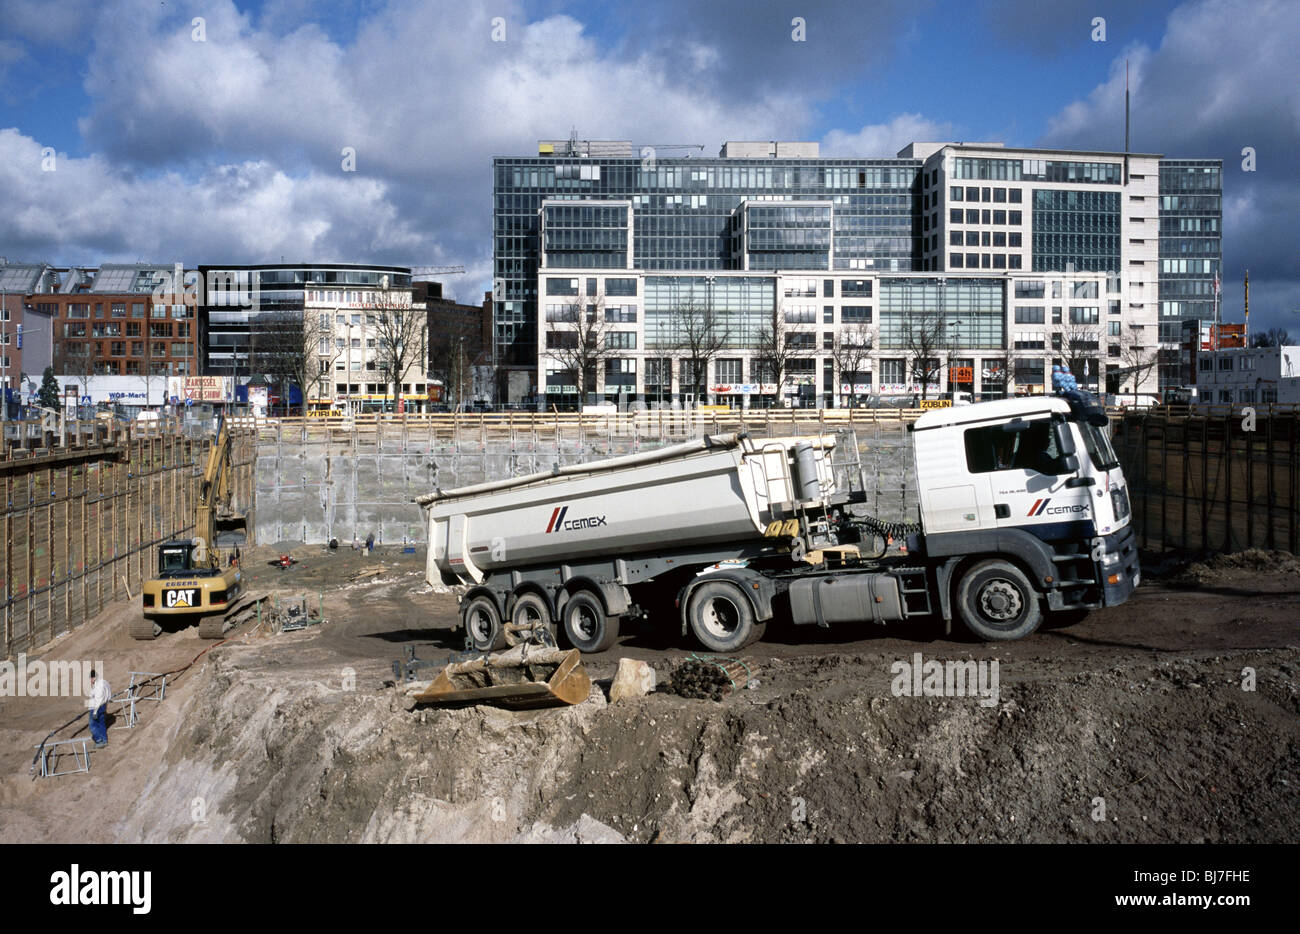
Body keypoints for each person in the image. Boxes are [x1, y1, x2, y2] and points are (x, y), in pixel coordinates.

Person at [87, 670, 110, 748]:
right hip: (103, 705)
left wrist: (95, 712)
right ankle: (104, 740)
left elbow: (98, 699)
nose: (90, 680)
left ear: (94, 677)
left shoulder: (98, 686)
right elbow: (108, 695)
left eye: (90, 678)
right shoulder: (104, 682)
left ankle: (99, 740)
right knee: (101, 724)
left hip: (96, 706)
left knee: (92, 724)